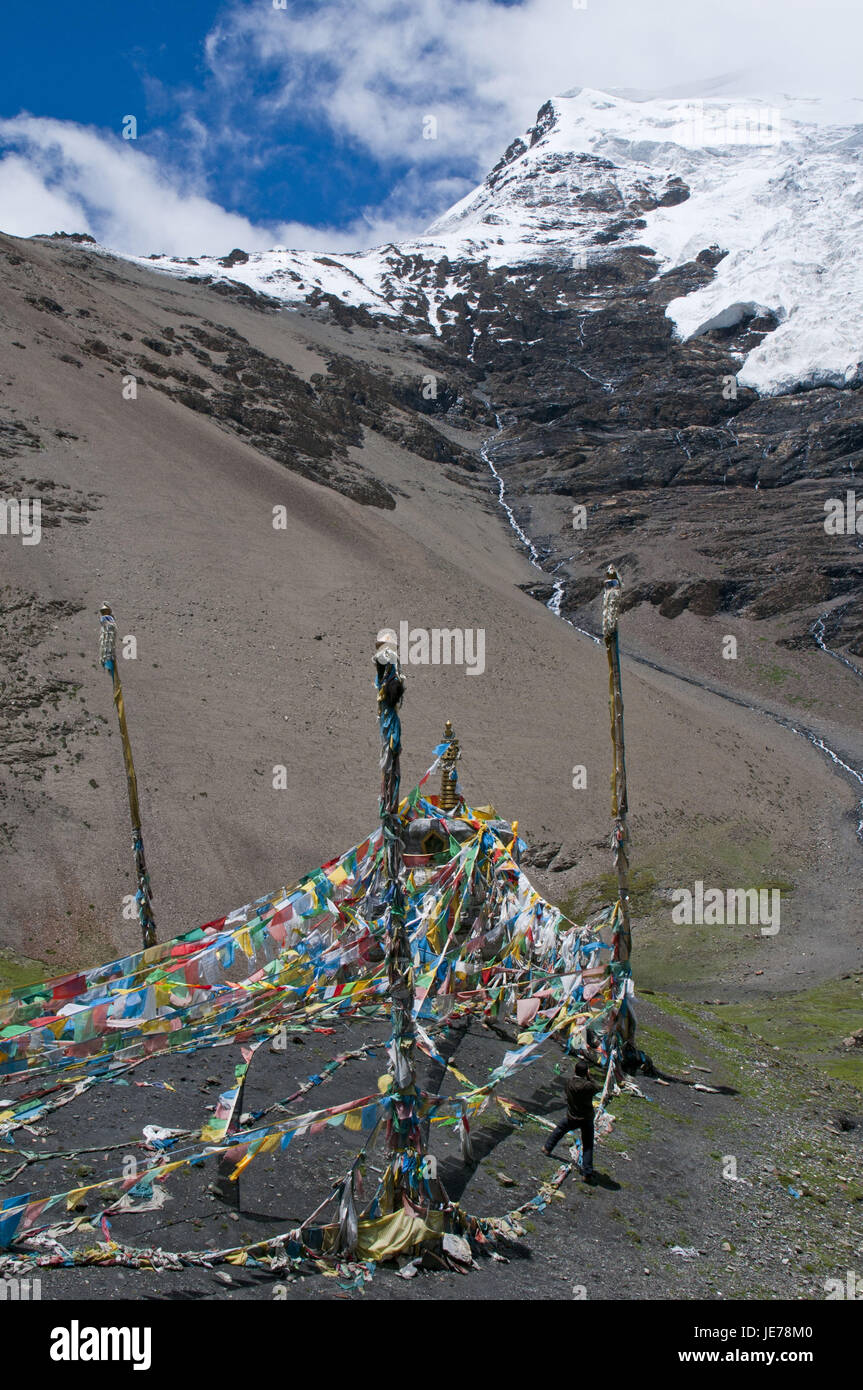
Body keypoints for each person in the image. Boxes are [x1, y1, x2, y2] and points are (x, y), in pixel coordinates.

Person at [543, 1058, 600, 1179]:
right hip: (586, 1118)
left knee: (560, 1129)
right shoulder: (588, 1086)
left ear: (575, 1070)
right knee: (588, 1145)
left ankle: (547, 1148)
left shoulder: (569, 1083)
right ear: (586, 1072)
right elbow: (597, 1087)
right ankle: (587, 1172)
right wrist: (589, 1077)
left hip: (572, 1116)